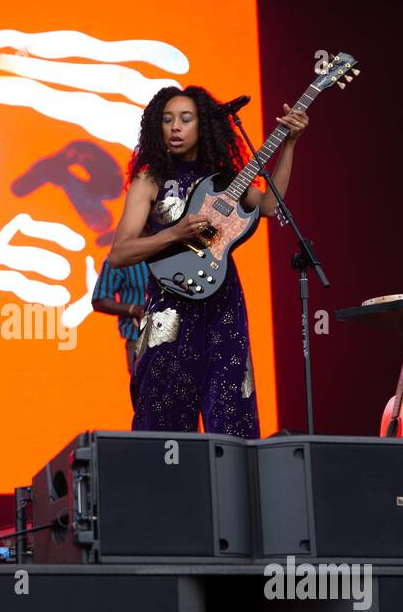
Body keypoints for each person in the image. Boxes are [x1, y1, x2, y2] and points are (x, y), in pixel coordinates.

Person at [107, 85, 308, 436]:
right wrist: (175, 233)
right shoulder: (149, 179)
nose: (175, 127)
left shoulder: (226, 179)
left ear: (203, 126)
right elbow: (119, 252)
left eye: (186, 119)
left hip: (223, 308)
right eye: (167, 120)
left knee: (231, 415)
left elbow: (271, 207)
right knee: (162, 419)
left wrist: (289, 143)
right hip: (168, 311)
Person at [91, 259, 150, 374]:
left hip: (180, 338)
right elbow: (99, 299)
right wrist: (133, 309)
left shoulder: (175, 249)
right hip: (139, 340)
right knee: (146, 389)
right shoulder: (121, 257)